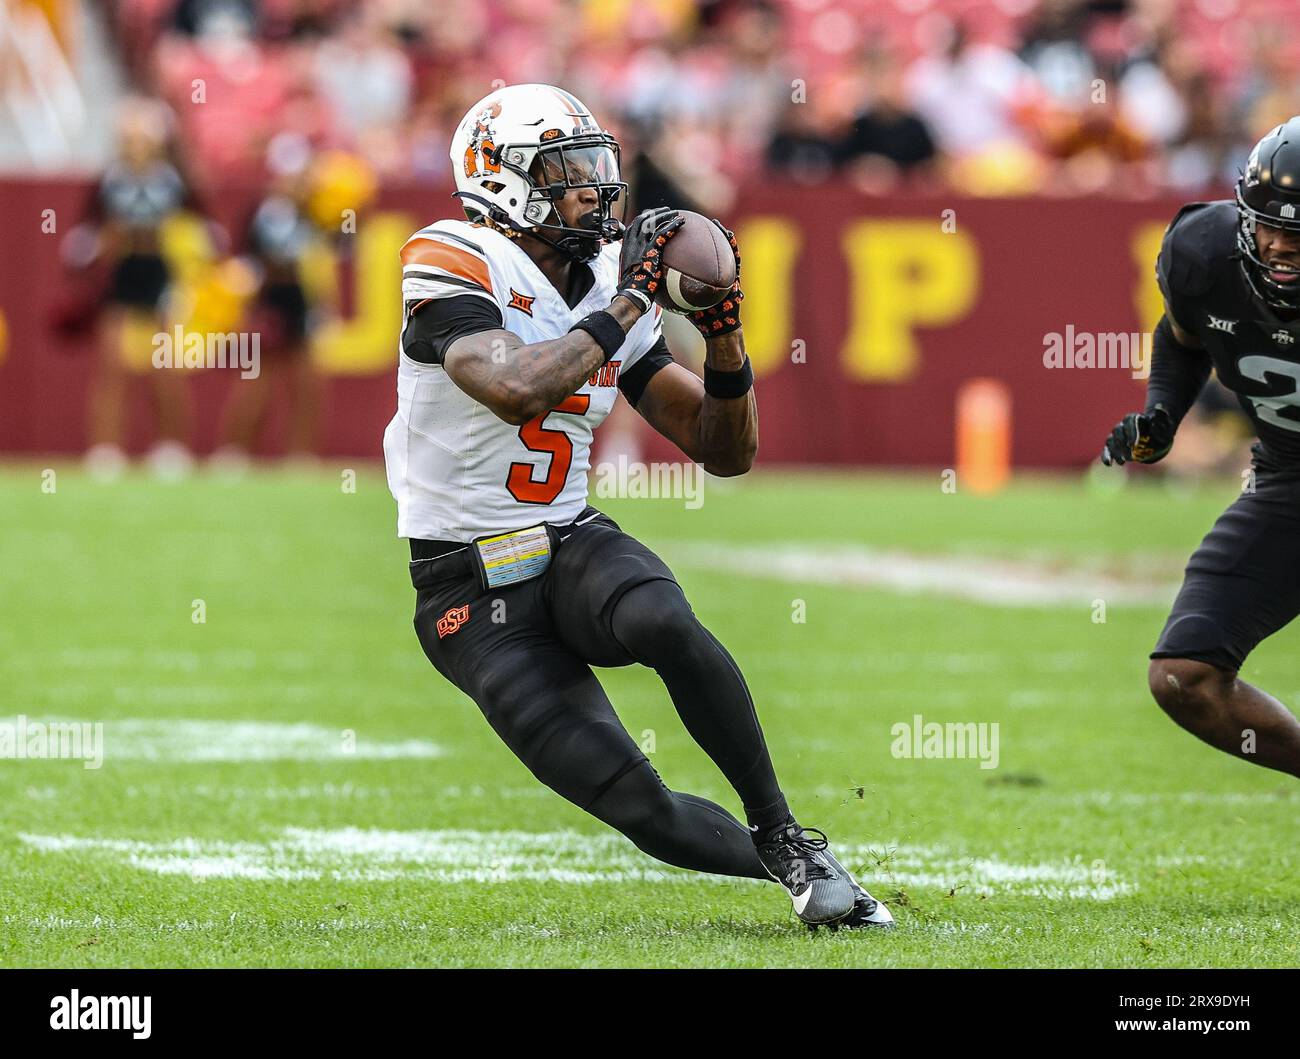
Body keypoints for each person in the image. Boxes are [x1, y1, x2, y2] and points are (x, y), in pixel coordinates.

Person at [383, 84, 892, 929]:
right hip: (466, 590)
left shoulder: (599, 280)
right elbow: (512, 387)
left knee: (659, 614)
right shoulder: (453, 254)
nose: (592, 185)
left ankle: (785, 830)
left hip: (567, 539)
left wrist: (725, 332)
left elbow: (724, 451)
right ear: (498, 180)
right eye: (564, 169)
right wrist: (629, 303)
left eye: (593, 164)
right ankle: (798, 874)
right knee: (643, 809)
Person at [1101, 118, 1300, 780]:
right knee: (1185, 677)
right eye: (1268, 225)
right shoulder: (1202, 254)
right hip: (1288, 481)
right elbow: (1184, 337)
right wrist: (1162, 415)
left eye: (1298, 235)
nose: (1278, 247)